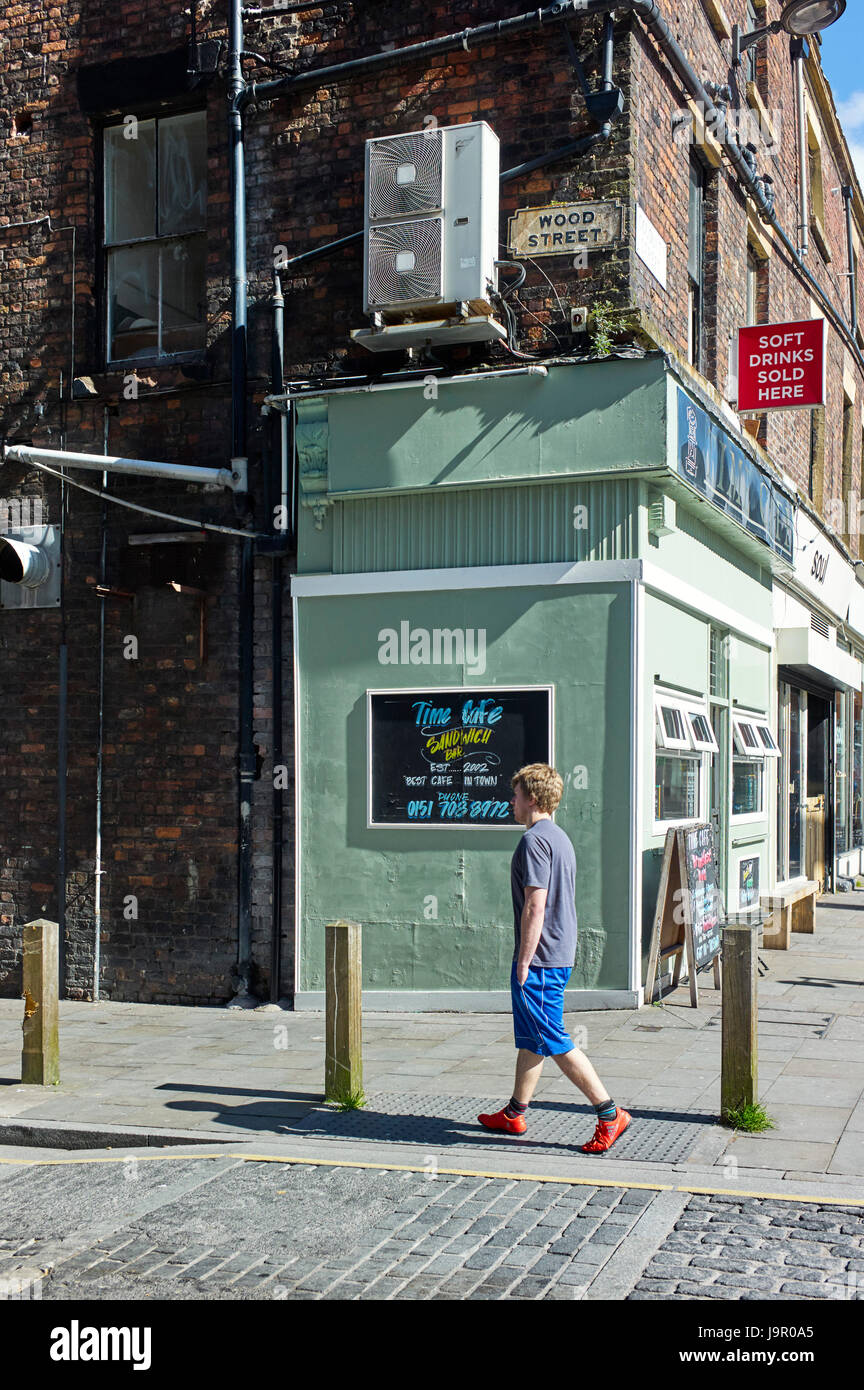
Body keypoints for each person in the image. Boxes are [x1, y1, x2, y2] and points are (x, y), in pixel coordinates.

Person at [478, 762, 632, 1153]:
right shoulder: (558, 837)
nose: (510, 802)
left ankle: (610, 1114)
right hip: (557, 952)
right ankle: (515, 1113)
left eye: (514, 795)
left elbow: (535, 905)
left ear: (531, 798)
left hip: (542, 957)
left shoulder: (534, 841)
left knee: (555, 1039)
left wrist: (524, 961)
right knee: (532, 1037)